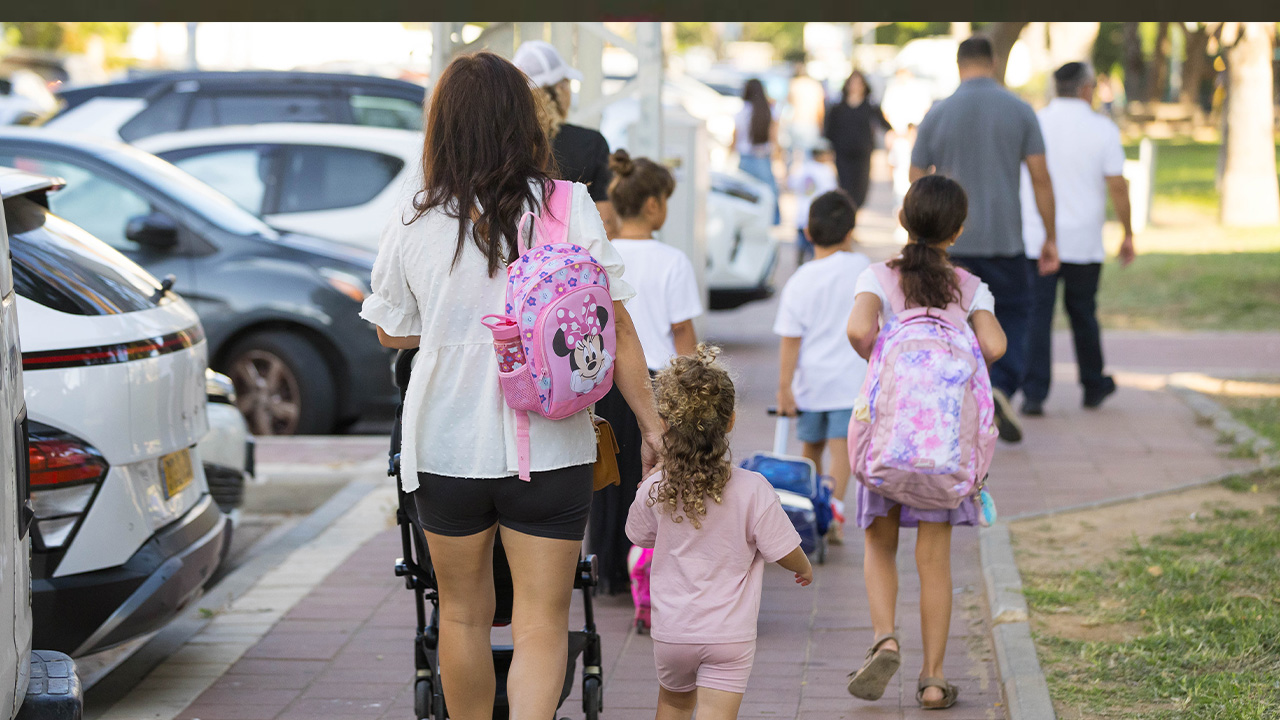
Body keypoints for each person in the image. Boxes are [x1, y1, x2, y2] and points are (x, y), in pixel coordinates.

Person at [360, 52, 664, 720]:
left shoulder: (413, 215)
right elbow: (615, 325)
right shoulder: (568, 204)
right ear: (525, 120)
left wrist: (458, 329)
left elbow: (390, 330)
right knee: (542, 621)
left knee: (462, 616)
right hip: (552, 446)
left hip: (445, 447)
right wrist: (651, 423)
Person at [844, 175, 1007, 711]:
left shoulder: (879, 276)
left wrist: (885, 355)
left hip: (887, 438)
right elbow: (994, 345)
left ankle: (884, 639)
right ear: (957, 231)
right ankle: (933, 680)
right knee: (934, 560)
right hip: (943, 448)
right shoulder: (969, 286)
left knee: (879, 543)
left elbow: (858, 330)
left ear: (903, 221)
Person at [626, 346, 813, 720]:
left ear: (665, 423)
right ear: (729, 422)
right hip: (729, 633)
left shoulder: (658, 487)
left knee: (674, 704)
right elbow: (783, 548)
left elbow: (638, 535)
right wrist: (803, 567)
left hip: (673, 631)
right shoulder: (753, 488)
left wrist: (650, 483)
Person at [909, 35, 1060, 444]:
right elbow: (1041, 177)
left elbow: (916, 176)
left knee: (948, 322)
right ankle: (1002, 385)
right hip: (1005, 240)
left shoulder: (937, 112)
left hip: (949, 245)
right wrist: (1050, 236)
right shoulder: (1020, 110)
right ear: (993, 63)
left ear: (959, 65)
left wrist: (923, 232)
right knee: (1013, 313)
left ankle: (955, 396)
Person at [589, 149, 704, 596]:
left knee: (608, 477)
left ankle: (606, 570)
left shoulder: (602, 255)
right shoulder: (672, 260)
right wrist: (694, 391)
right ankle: (649, 568)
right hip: (657, 384)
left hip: (605, 383)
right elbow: (683, 333)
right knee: (655, 478)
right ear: (654, 204)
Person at [1019, 62, 1135, 416]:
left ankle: (1034, 392)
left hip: (1038, 237)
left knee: (1037, 315)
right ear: (1086, 88)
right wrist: (1128, 232)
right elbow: (1117, 185)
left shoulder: (1034, 122)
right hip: (1083, 239)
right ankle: (1093, 384)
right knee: (1083, 313)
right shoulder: (1103, 128)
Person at [774, 190, 870, 546]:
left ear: (808, 233)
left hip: (810, 383)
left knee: (811, 448)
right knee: (842, 448)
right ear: (850, 231)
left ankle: (809, 510)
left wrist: (784, 387)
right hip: (852, 381)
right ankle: (835, 511)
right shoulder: (863, 270)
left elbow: (791, 339)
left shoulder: (801, 279)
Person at [514, 40, 618, 236]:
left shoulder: (505, 144)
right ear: (559, 90)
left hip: (517, 254)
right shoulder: (591, 143)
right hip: (574, 254)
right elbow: (606, 226)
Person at [824, 70, 892, 212]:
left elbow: (882, 122)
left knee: (861, 187)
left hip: (862, 153)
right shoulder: (838, 107)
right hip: (843, 153)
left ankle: (854, 212)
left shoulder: (869, 105)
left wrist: (895, 133)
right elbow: (829, 128)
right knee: (845, 186)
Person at [734, 78, 780, 225]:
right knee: (769, 194)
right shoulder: (769, 110)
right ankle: (772, 221)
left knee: (746, 196)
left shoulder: (742, 111)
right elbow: (774, 138)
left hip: (745, 158)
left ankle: (748, 224)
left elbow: (735, 137)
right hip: (762, 158)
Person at [786, 139, 839, 265]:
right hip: (817, 217)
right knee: (815, 251)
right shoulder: (825, 171)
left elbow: (791, 184)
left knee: (802, 245)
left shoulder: (803, 168)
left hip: (801, 216)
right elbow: (831, 193)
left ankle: (800, 264)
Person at [786, 60, 827, 170]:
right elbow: (820, 109)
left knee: (793, 156)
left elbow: (788, 104)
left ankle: (794, 176)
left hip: (795, 123)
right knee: (809, 157)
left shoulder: (794, 84)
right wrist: (821, 125)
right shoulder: (815, 86)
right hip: (810, 123)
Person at [886, 123, 917, 241]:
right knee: (899, 204)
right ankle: (900, 227)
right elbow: (891, 163)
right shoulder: (899, 145)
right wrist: (890, 178)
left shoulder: (917, 144)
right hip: (900, 178)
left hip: (912, 181)